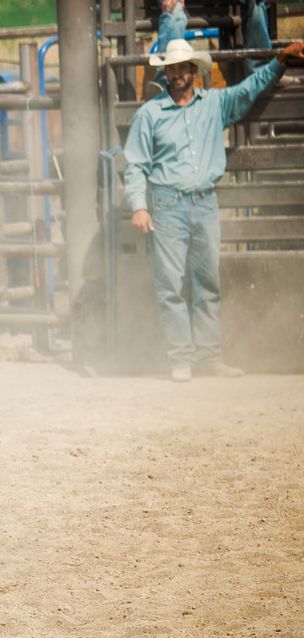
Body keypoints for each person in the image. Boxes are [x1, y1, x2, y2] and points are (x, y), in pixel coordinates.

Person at [123, 2, 304, 382]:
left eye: (182, 68)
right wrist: (139, 207)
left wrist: (279, 60)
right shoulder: (150, 115)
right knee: (170, 285)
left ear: (193, 71)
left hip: (203, 202)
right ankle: (182, 357)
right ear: (167, 73)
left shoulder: (214, 104)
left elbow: (251, 87)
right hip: (168, 204)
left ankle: (207, 357)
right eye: (171, 69)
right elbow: (136, 164)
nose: (177, 75)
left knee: (206, 283)